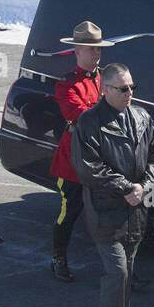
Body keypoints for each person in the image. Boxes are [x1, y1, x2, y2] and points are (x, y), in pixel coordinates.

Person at [72, 62, 154, 307]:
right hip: (105, 212)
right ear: (106, 89)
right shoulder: (89, 122)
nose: (130, 93)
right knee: (117, 274)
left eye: (132, 88)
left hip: (135, 212)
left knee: (127, 275)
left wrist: (143, 187)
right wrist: (126, 187)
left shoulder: (141, 118)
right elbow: (88, 168)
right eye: (123, 88)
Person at [49, 22, 107, 282]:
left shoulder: (107, 78)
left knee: (109, 214)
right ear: (77, 51)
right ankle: (58, 257)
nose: (96, 54)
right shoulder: (67, 84)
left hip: (102, 158)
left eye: (98, 49)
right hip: (75, 157)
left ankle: (121, 267)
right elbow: (79, 115)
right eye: (91, 49)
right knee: (68, 212)